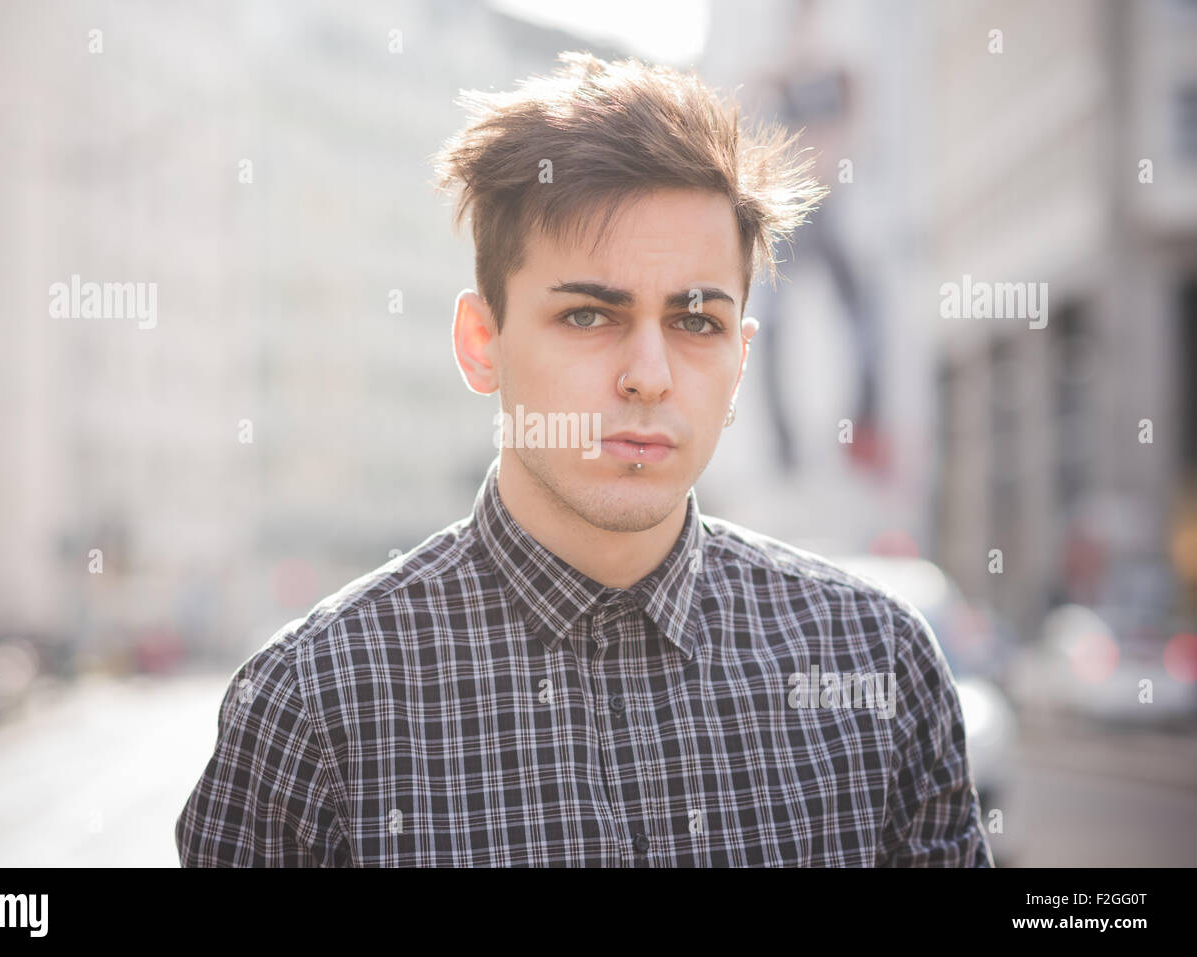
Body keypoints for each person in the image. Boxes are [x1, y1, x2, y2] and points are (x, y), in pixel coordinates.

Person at [175, 51, 992, 867]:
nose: (648, 374)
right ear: (481, 343)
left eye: (696, 322)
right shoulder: (312, 707)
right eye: (588, 317)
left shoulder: (879, 664)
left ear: (742, 360)